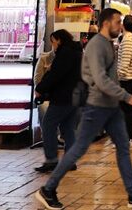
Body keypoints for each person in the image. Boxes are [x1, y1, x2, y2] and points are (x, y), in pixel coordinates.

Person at [36, 9, 132, 210]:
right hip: (97, 107)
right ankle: (48, 189)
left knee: (123, 147)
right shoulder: (96, 46)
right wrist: (127, 97)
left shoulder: (108, 44)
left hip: (110, 107)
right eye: (117, 22)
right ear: (106, 24)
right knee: (78, 149)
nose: (120, 26)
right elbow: (101, 80)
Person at [34, 30, 83, 173]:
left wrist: (40, 88)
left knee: (48, 124)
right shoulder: (77, 53)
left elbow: (55, 75)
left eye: (53, 41)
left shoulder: (65, 54)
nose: (52, 44)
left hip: (63, 97)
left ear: (59, 40)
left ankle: (51, 160)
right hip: (75, 97)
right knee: (68, 129)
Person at [117, 16, 132, 143]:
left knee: (125, 109)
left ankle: (127, 136)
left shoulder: (127, 40)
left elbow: (125, 62)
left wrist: (118, 76)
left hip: (127, 79)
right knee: (130, 107)